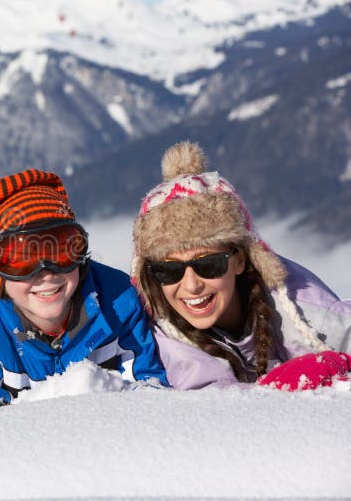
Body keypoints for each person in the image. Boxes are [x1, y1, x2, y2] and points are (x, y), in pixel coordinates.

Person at [0, 169, 168, 410]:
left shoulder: (117, 303)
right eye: (21, 259)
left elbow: (149, 397)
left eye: (61, 250)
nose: (46, 272)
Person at [132, 141, 351, 391]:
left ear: (240, 260)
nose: (191, 285)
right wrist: (276, 388)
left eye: (209, 264)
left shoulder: (303, 306)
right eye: (169, 270)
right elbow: (209, 406)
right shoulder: (164, 331)